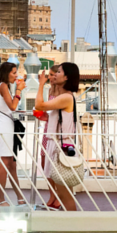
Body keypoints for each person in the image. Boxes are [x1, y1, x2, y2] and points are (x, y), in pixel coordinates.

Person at [35, 63, 81, 211]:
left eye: (59, 72)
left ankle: (73, 225)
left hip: (60, 147)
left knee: (64, 194)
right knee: (62, 192)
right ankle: (70, 224)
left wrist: (41, 84)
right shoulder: (63, 97)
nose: (54, 75)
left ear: (66, 77)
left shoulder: (66, 98)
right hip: (56, 144)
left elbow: (39, 104)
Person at [0, 62, 27, 206]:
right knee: (5, 163)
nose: (17, 75)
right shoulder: (3, 86)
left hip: (1, 127)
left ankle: (20, 198)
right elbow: (13, 106)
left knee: (11, 165)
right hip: (5, 130)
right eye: (14, 73)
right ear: (6, 73)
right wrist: (19, 90)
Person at [38, 64, 65, 210]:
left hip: (57, 131)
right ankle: (52, 195)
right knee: (45, 163)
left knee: (55, 165)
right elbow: (48, 112)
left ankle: (58, 197)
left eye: (52, 74)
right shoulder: (50, 90)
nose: (50, 77)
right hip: (48, 129)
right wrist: (42, 116)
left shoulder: (63, 93)